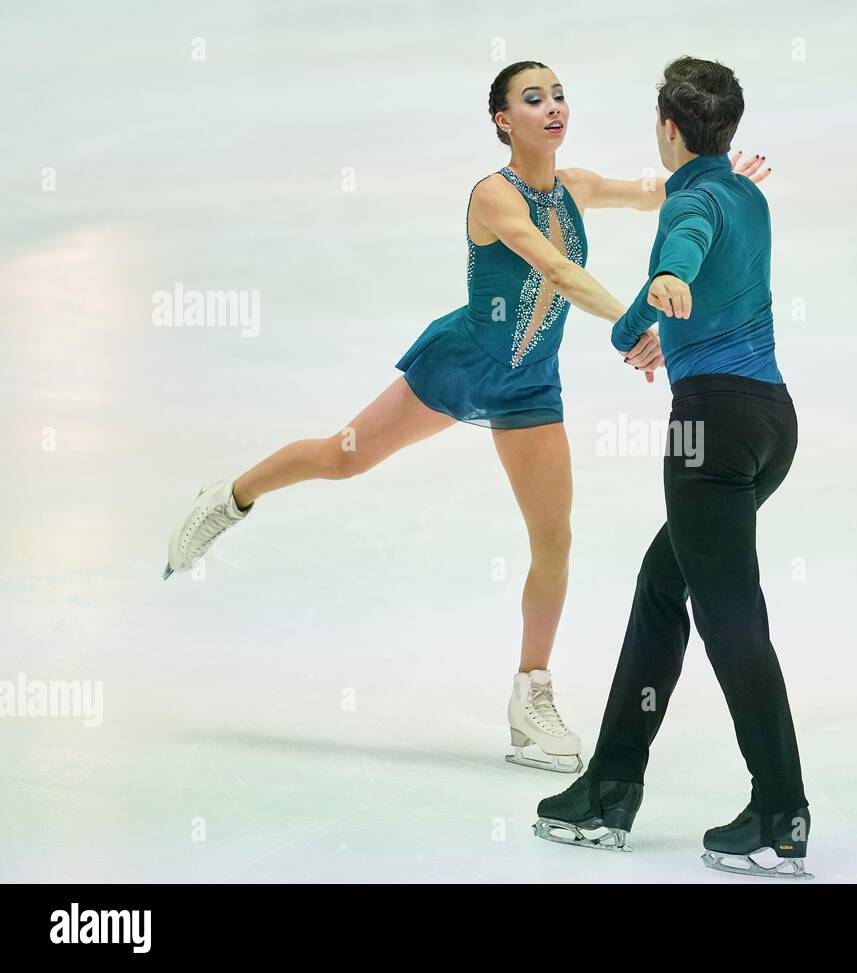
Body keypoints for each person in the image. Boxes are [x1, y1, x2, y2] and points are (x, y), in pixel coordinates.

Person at [161, 60, 770, 775]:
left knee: (555, 536)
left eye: (559, 96)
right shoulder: (493, 195)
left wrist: (719, 182)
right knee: (343, 456)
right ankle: (230, 497)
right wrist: (638, 325)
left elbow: (651, 189)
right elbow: (560, 273)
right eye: (532, 99)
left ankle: (530, 692)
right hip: (461, 363)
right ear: (502, 121)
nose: (553, 108)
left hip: (529, 386)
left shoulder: (574, 186)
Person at [534, 56, 811, 878]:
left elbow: (686, 250)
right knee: (665, 586)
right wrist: (675, 326)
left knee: (732, 619)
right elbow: (720, 278)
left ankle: (780, 810)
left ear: (668, 128)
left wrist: (648, 305)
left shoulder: (691, 202)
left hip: (708, 434)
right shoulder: (746, 194)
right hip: (769, 422)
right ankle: (612, 783)